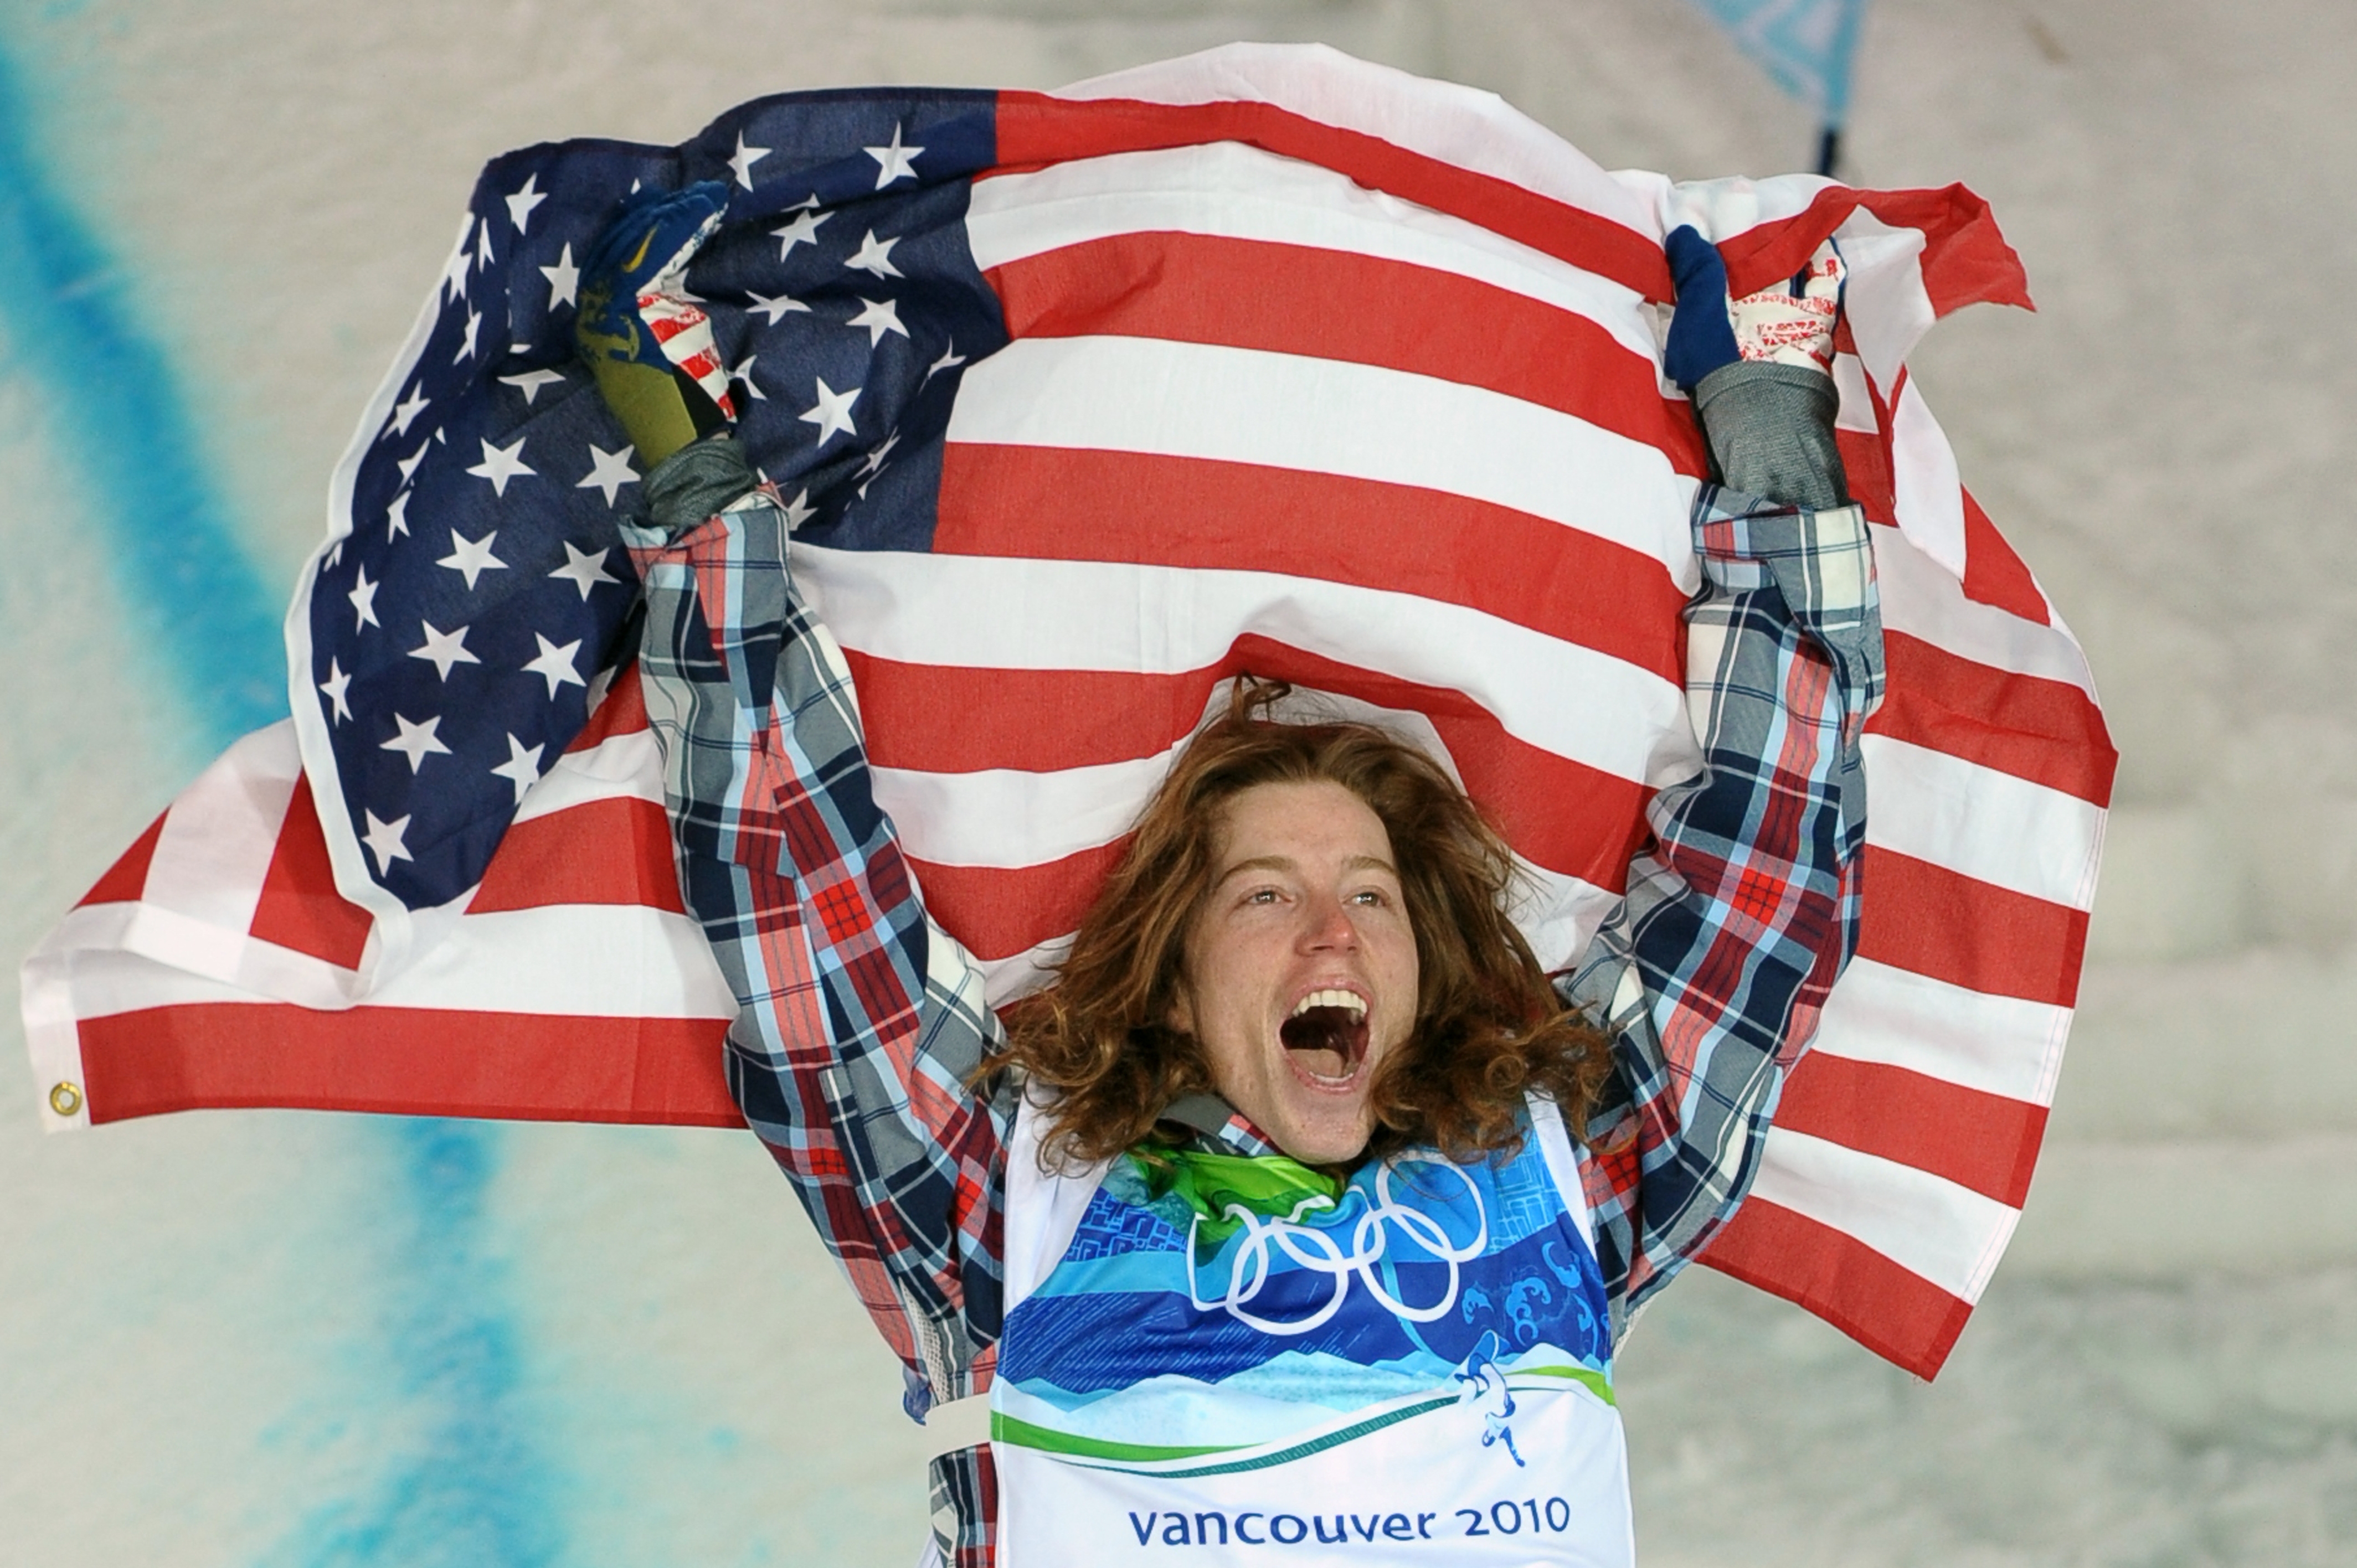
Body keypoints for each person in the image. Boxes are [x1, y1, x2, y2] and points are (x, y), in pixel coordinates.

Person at [579, 187, 1881, 1566]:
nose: (1332, 932)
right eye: (1263, 895)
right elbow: (808, 910)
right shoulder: (1002, 1207)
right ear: (1178, 982)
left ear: (1427, 963)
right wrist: (690, 462)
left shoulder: (1565, 1181)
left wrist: (1765, 437)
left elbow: (1758, 904)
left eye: (1371, 896)